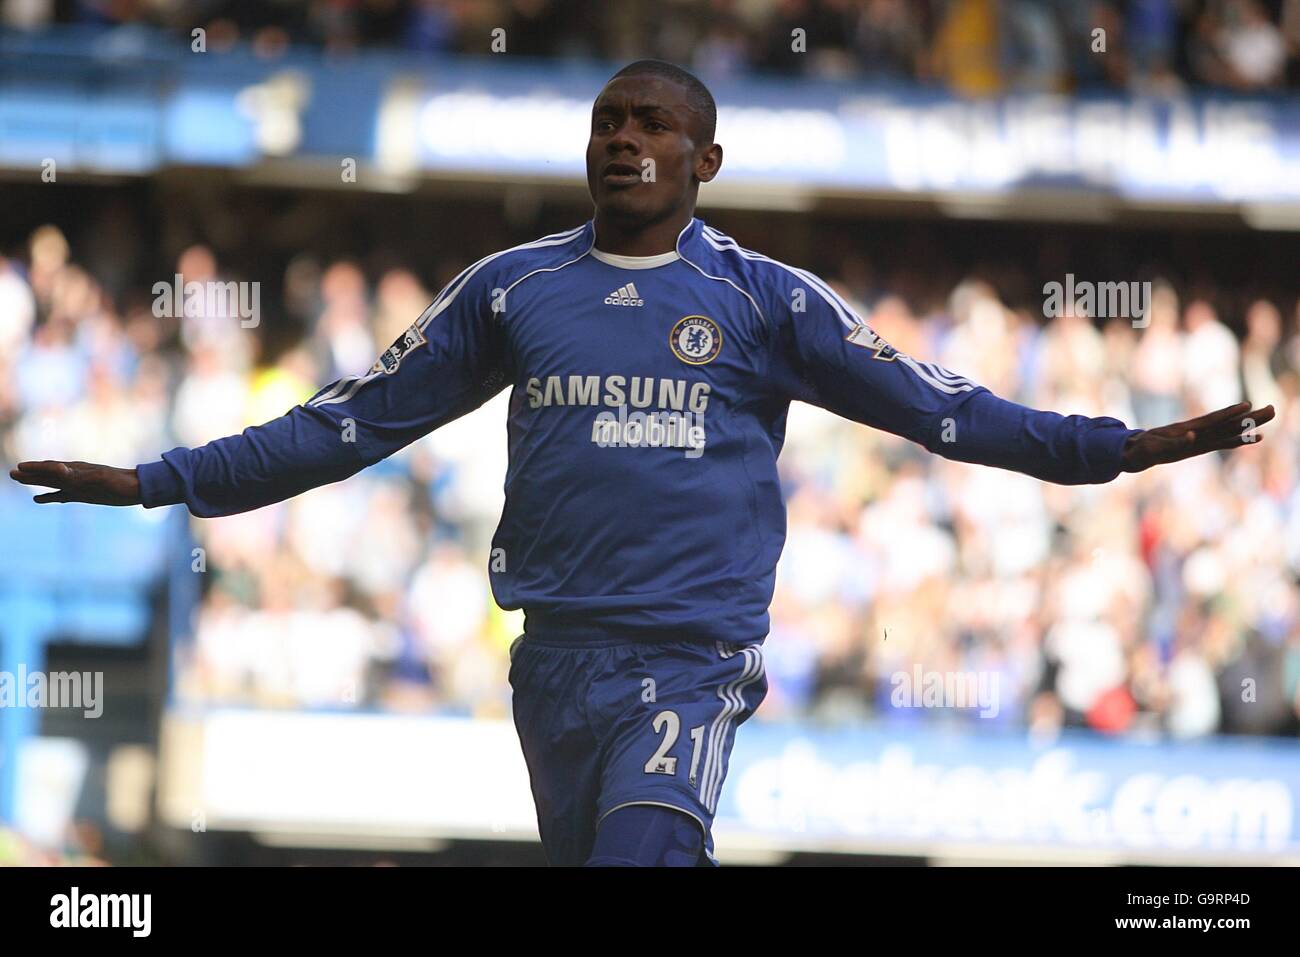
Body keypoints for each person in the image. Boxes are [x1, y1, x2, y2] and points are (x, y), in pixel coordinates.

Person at [9, 60, 1276, 866]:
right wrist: (164, 476)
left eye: (653, 125)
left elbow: (941, 410)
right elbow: (348, 425)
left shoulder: (766, 302)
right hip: (551, 663)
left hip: (687, 659)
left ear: (703, 162)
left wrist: (1111, 450)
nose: (624, 141)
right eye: (608, 122)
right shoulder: (511, 291)